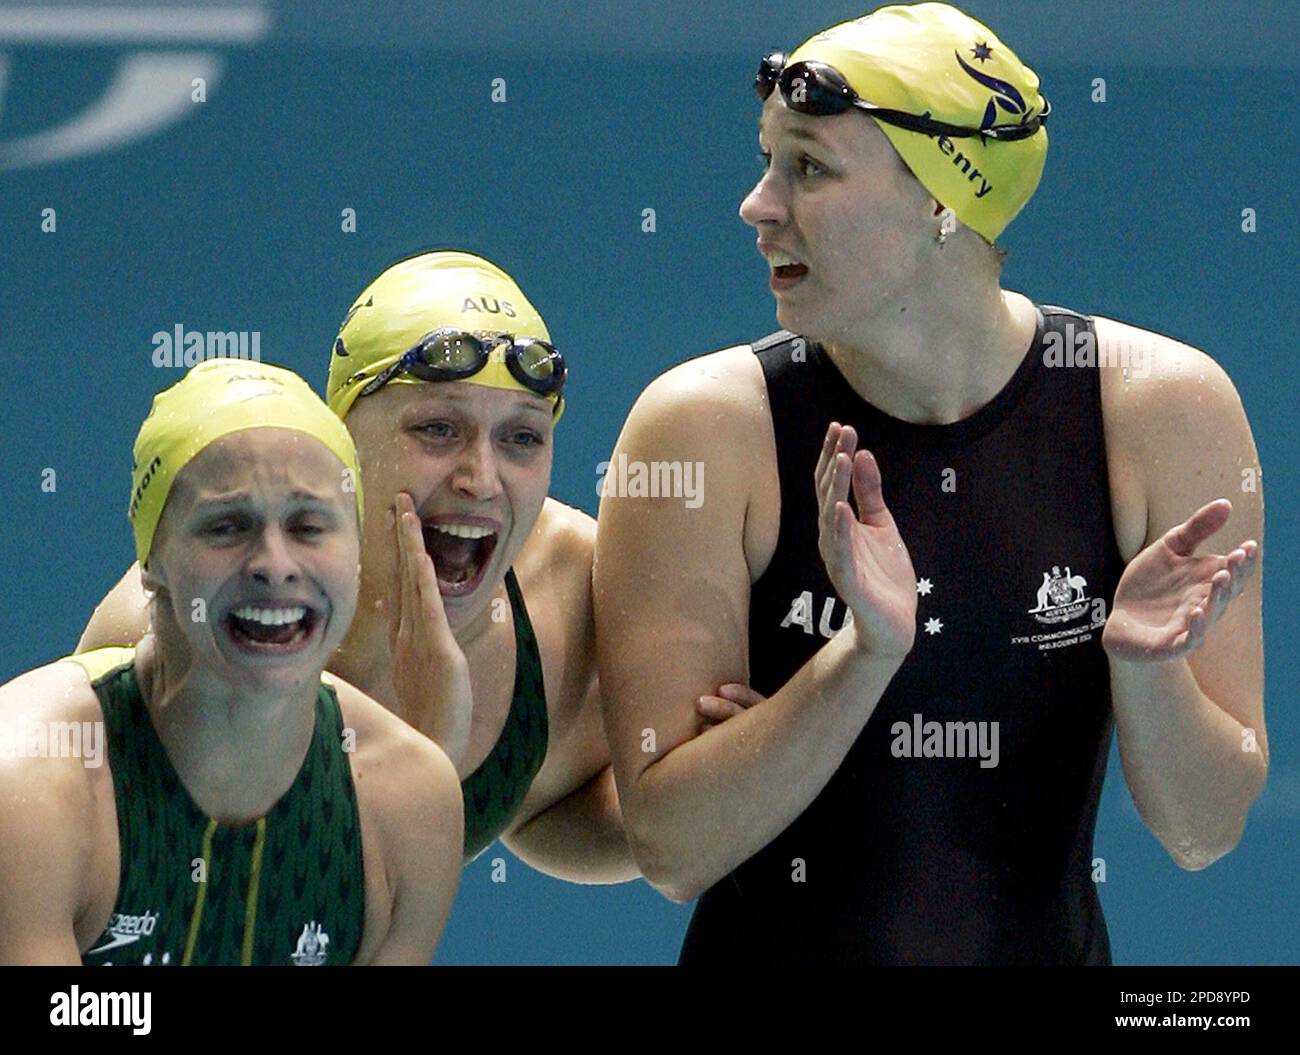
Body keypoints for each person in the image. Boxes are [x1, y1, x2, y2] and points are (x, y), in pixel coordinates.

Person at [592, 1, 1267, 964]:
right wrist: (863, 656)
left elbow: (1206, 831)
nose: (758, 204)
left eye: (810, 168)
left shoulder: (1159, 411)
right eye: (767, 159)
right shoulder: (703, 429)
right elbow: (671, 848)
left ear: (944, 204)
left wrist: (1149, 673)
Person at [80, 252, 641, 880]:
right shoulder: (183, 632)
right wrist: (429, 762)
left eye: (522, 438)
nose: (481, 480)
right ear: (341, 437)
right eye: (437, 429)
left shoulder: (570, 591)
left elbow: (579, 812)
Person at [0, 360, 462, 965]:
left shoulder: (409, 806)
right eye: (227, 526)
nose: (275, 563)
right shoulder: (31, 785)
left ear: (356, 558)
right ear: (151, 561)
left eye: (309, 525)